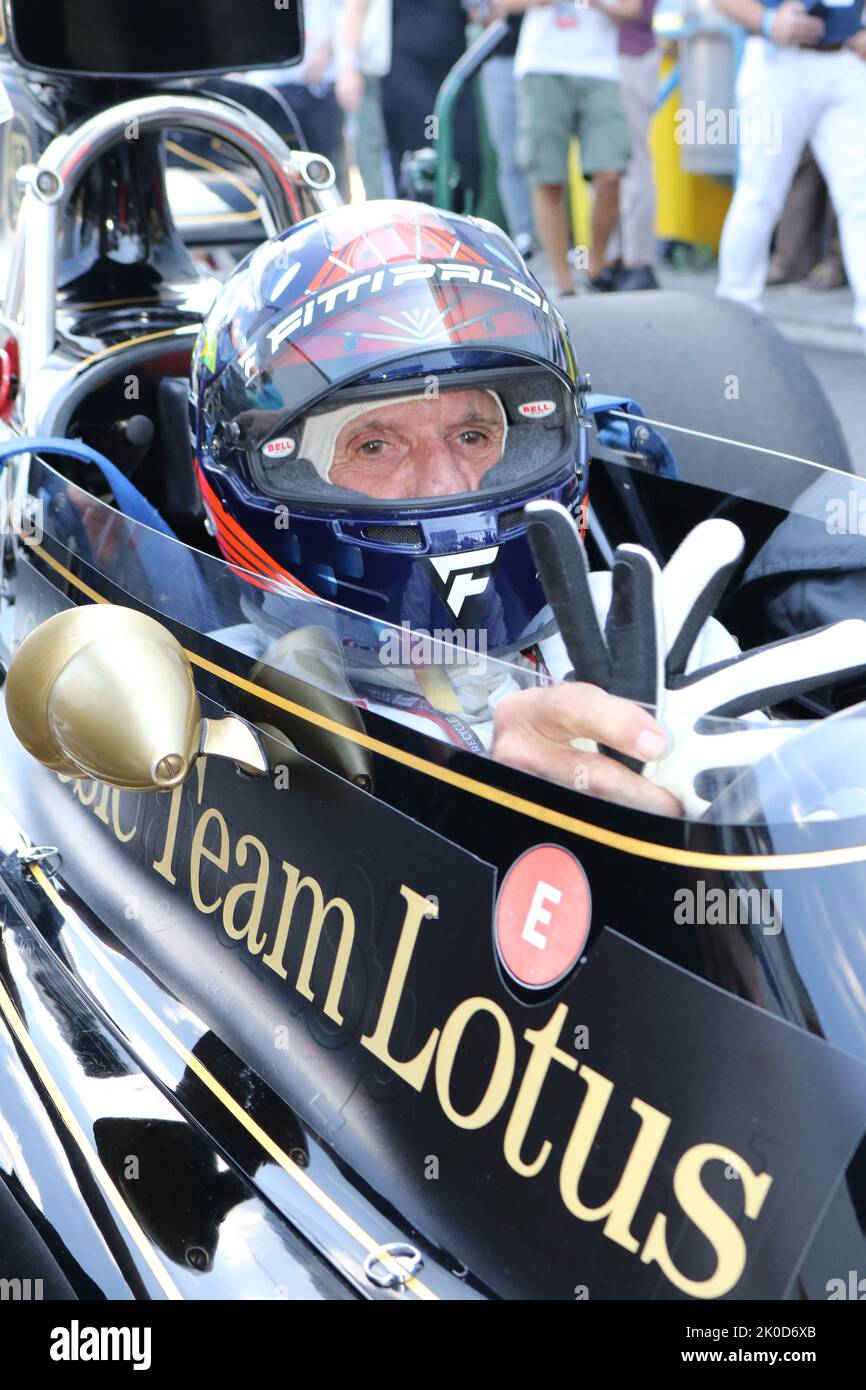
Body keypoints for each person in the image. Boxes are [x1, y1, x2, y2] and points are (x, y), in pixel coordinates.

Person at [193, 200, 860, 819]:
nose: (444, 483)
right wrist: (494, 797)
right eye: (374, 444)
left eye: (474, 435)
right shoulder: (206, 706)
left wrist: (727, 806)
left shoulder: (648, 637)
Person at [714, 0, 866, 336]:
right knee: (760, 195)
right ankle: (735, 319)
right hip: (778, 59)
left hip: (846, 59)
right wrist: (766, 20)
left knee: (861, 198)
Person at [503, 0, 636, 295]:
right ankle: (565, 286)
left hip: (599, 69)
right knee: (548, 180)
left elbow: (632, 9)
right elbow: (502, 5)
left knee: (610, 173)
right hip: (542, 66)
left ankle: (595, 266)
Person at [469, 4, 536, 258]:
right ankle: (524, 238)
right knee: (509, 154)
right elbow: (481, 12)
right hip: (501, 59)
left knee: (542, 154)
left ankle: (552, 241)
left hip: (546, 61)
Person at [604, 0, 660, 290]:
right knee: (607, 163)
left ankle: (638, 262)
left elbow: (632, 8)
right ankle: (612, 259)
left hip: (633, 57)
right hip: (606, 59)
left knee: (634, 161)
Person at [335, 0, 396, 200]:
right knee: (370, 155)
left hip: (383, 70)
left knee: (377, 156)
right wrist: (348, 66)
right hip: (367, 69)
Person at [279, 0, 343, 169]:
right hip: (274, 83)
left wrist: (326, 52)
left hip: (320, 84)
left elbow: (347, 13)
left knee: (323, 164)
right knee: (281, 162)